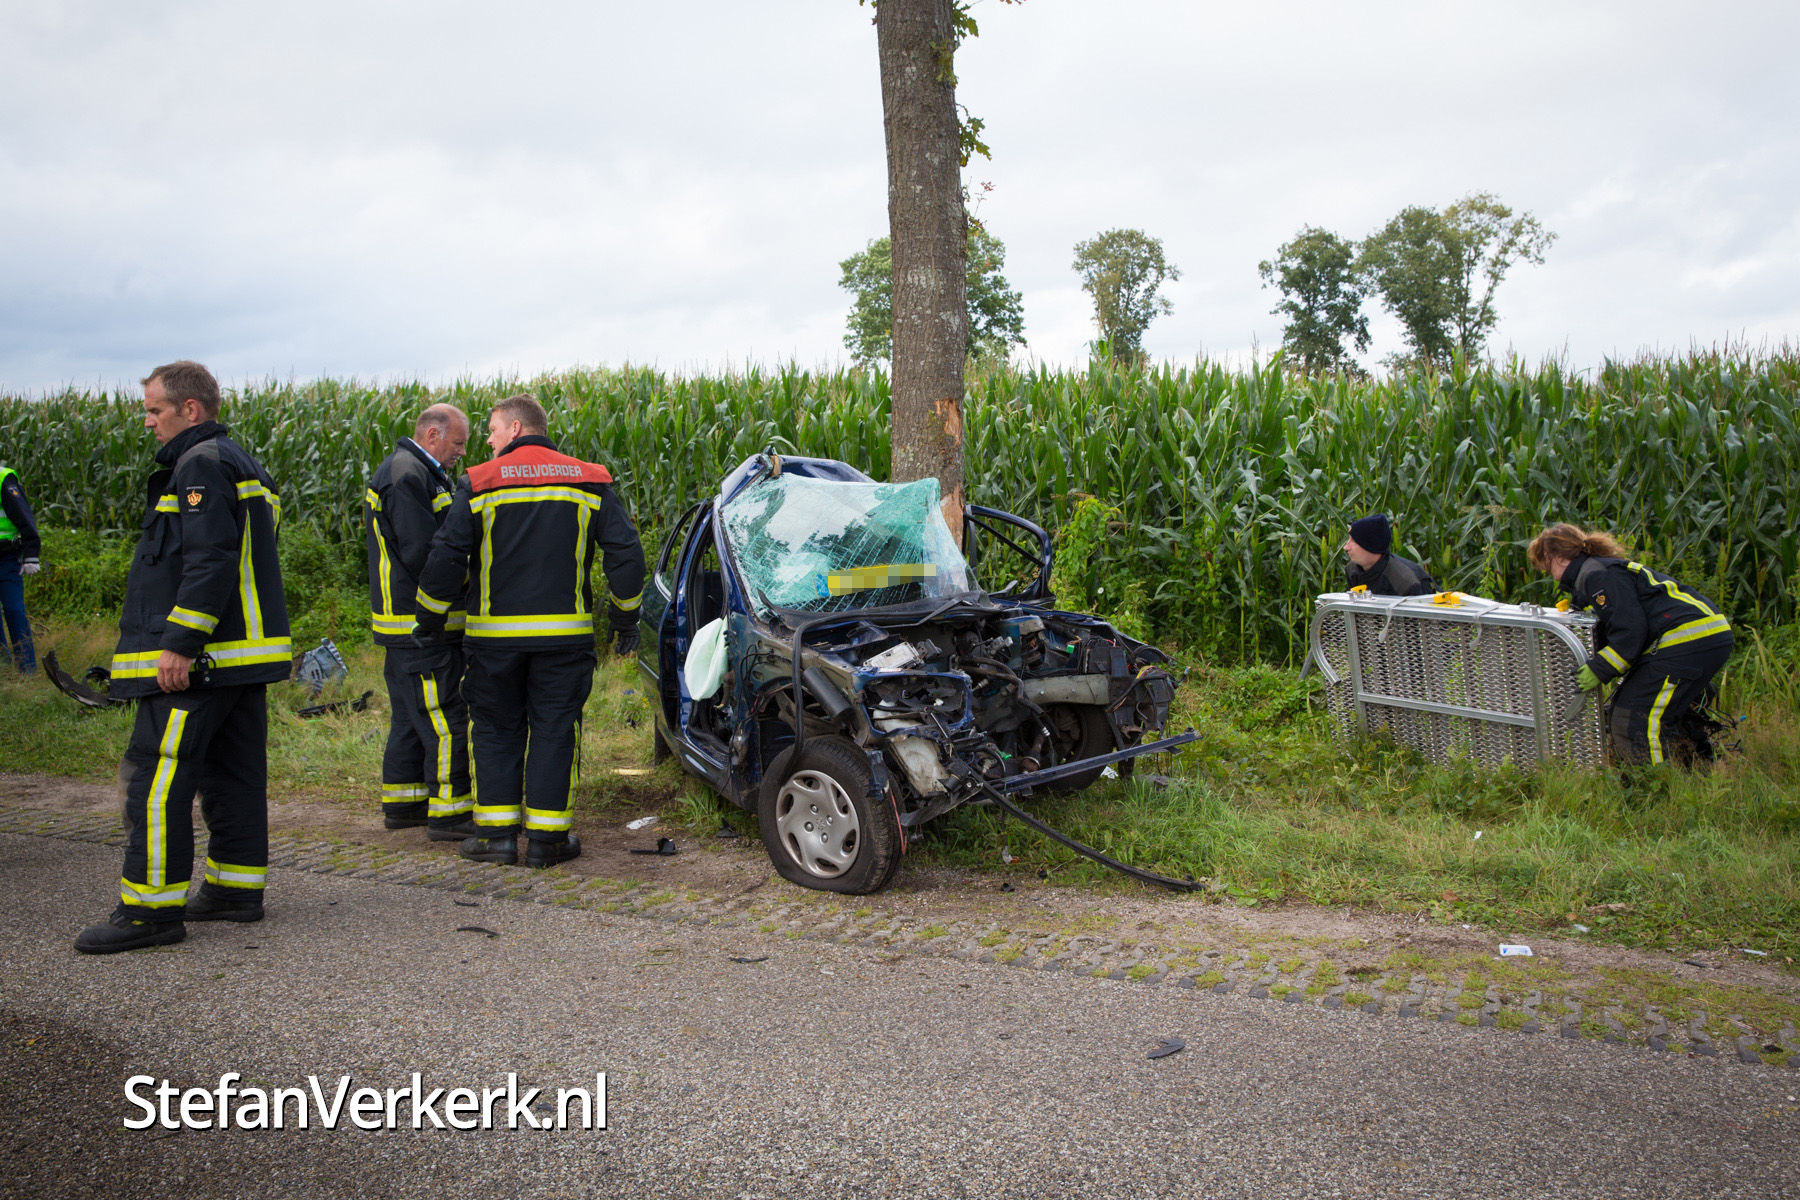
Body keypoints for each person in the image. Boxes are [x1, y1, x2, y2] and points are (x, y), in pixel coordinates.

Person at [76, 361, 291, 954]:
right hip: (241, 659)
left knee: (158, 777)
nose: (148, 422)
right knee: (233, 775)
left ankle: (150, 912)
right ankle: (234, 890)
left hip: (202, 662)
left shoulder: (199, 465)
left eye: (154, 410)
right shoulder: (239, 461)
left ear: (189, 409)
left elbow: (209, 558)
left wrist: (178, 644)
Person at [412, 394, 645, 868]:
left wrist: (429, 619)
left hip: (493, 642)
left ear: (515, 429)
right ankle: (547, 842)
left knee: (495, 730)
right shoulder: (588, 479)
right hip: (565, 641)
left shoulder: (480, 482)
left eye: (493, 431)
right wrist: (625, 617)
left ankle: (496, 839)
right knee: (555, 730)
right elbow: (625, 552)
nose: (489, 441)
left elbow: (446, 555)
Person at [1527, 522, 1733, 766]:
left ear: (1557, 557)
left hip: (1688, 638)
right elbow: (1618, 626)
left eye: (1545, 562)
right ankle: (1697, 768)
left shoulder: (1596, 575)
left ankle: (1656, 782)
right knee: (1648, 709)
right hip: (1703, 636)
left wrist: (1599, 669)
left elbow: (1630, 630)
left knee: (1634, 718)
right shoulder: (1599, 570)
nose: (1546, 570)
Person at [365, 403, 477, 841]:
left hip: (403, 627)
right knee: (444, 718)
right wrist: (466, 579)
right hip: (419, 627)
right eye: (458, 443)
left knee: (410, 719)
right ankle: (450, 813)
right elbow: (423, 553)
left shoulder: (416, 471)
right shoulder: (407, 474)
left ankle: (405, 804)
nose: (461, 452)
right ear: (433, 435)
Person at [0, 463, 41, 674]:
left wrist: (31, 552)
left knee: (14, 611)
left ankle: (27, 669)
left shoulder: (3, 478)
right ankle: (3, 668)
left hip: (5, 557)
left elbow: (23, 515)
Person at [1342, 512, 1436, 596]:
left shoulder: (1406, 582)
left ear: (1370, 546)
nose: (1346, 547)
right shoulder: (1352, 570)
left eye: (1354, 541)